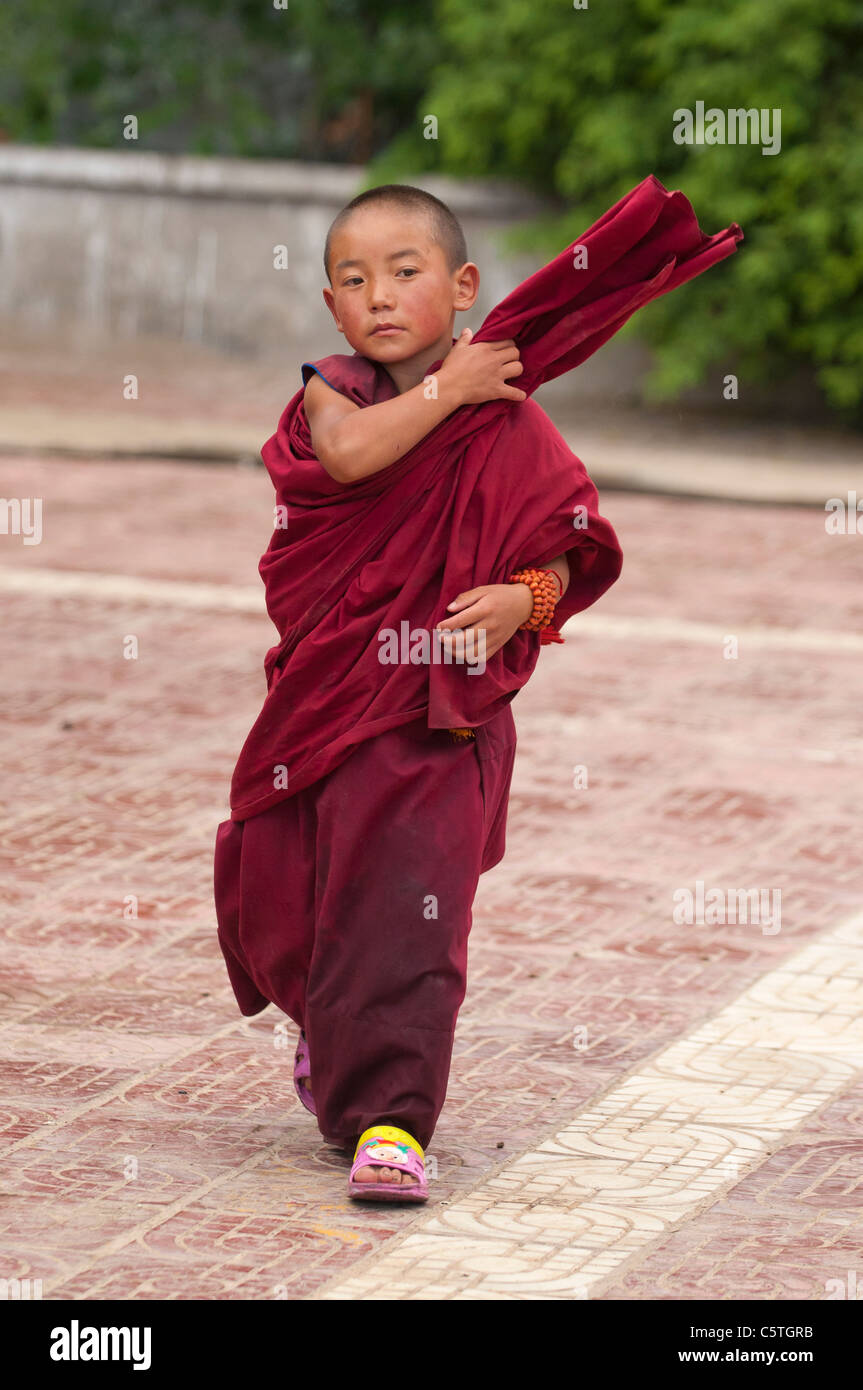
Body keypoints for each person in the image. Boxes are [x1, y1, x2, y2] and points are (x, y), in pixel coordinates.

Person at [213, 180, 741, 1201]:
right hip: (328, 708)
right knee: (296, 894)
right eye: (354, 280)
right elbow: (349, 456)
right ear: (330, 308)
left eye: (405, 272)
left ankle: (392, 1123)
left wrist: (521, 600)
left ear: (461, 288)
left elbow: (576, 550)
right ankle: (330, 1033)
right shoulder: (332, 388)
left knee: (409, 917)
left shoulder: (508, 426)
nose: (379, 296)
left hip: (435, 721)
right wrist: (448, 390)